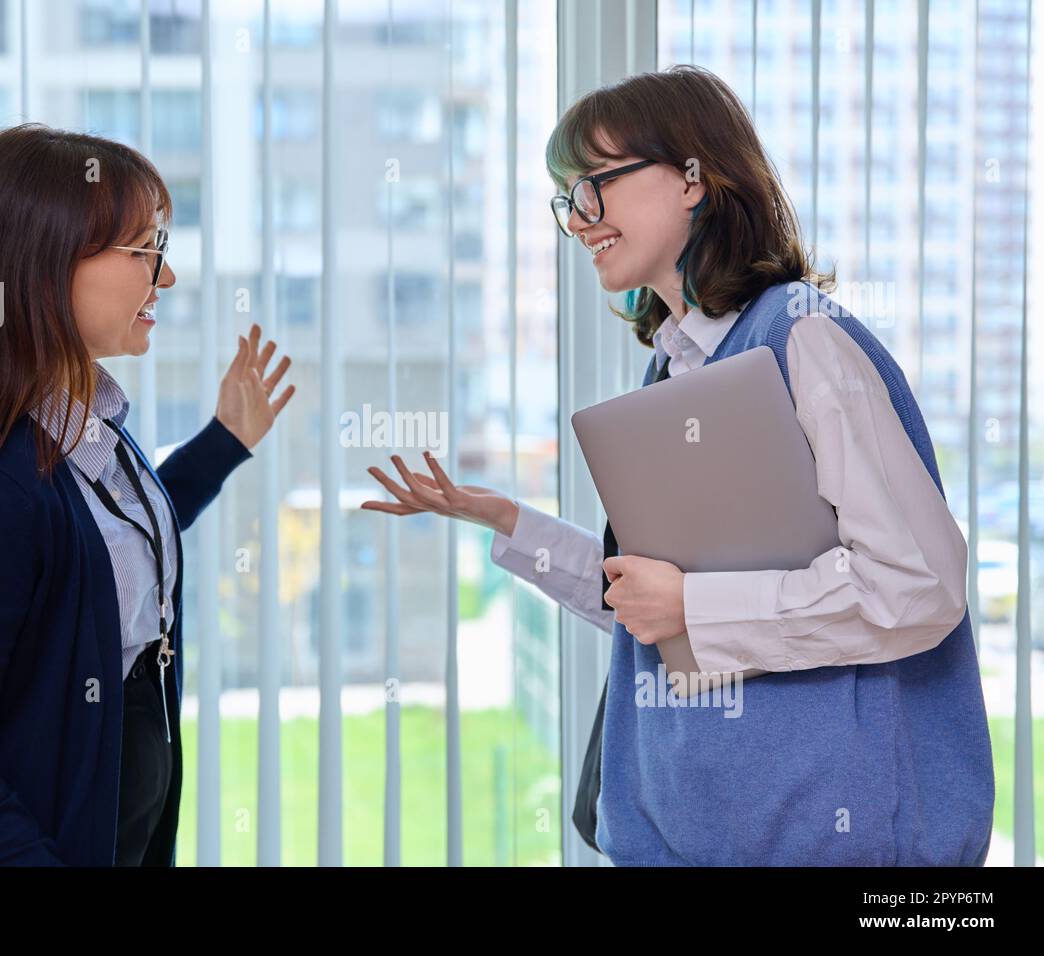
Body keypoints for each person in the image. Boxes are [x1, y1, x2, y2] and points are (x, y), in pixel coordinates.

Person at [362, 65, 993, 866]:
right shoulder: (674, 370)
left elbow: (918, 588)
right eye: (568, 199)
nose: (579, 218)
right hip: (690, 830)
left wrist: (695, 604)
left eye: (595, 185)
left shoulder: (804, 341)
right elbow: (657, 607)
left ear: (693, 178)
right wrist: (508, 524)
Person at [0, 124, 295, 866]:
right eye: (145, 251)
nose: (165, 279)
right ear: (45, 262)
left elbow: (107, 546)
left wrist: (225, 441)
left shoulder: (83, 422)